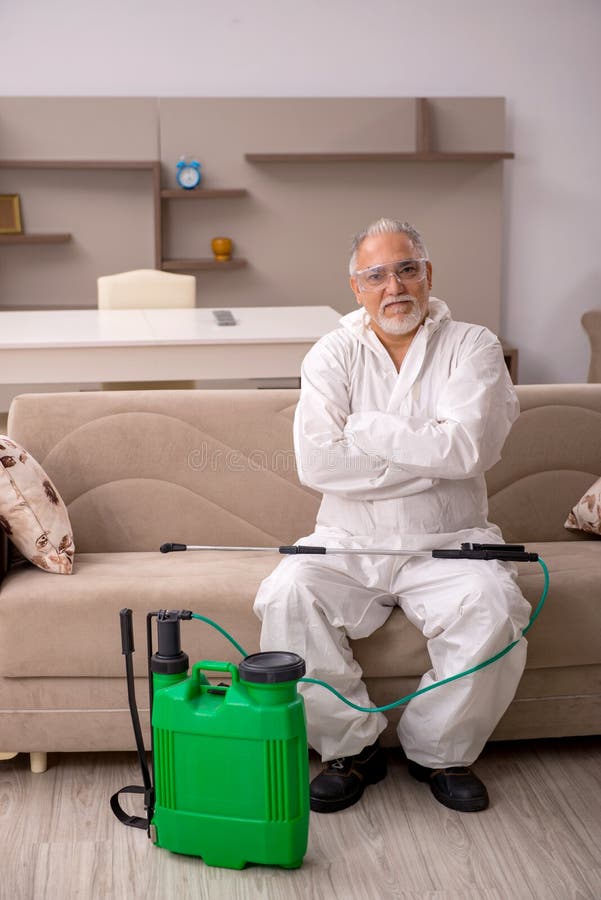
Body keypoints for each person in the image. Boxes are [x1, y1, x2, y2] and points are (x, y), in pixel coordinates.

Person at [253, 218, 531, 814]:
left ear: (427, 275)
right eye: (375, 275)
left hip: (448, 541)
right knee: (286, 593)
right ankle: (350, 748)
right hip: (348, 541)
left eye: (406, 269)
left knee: (496, 607)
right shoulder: (333, 351)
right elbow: (318, 465)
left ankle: (438, 751)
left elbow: (469, 451)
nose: (393, 286)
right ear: (356, 288)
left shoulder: (473, 345)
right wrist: (431, 450)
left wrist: (364, 427)